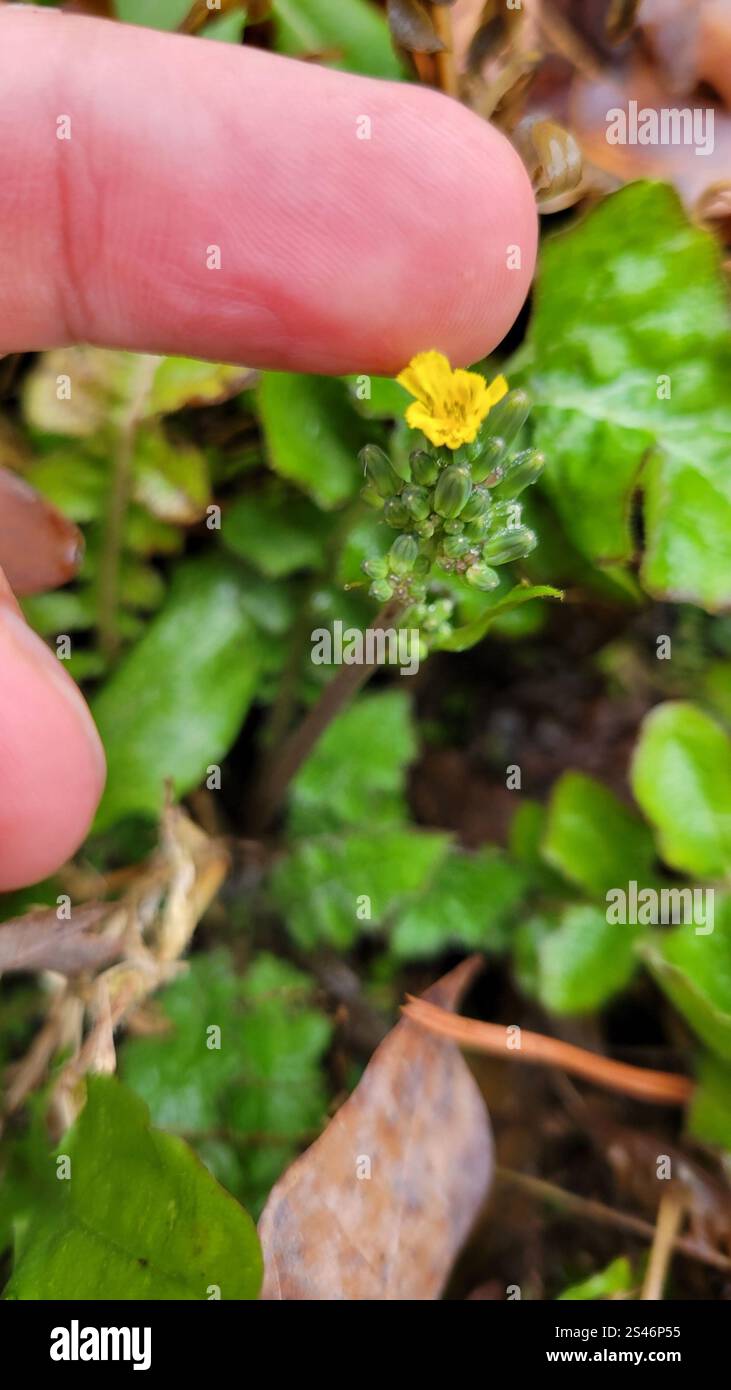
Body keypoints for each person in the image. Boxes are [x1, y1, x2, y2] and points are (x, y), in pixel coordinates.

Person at [0, 4, 536, 890]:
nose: (445, 417)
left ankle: (254, 868)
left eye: (451, 415)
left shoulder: (457, 447)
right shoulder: (418, 446)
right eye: (443, 414)